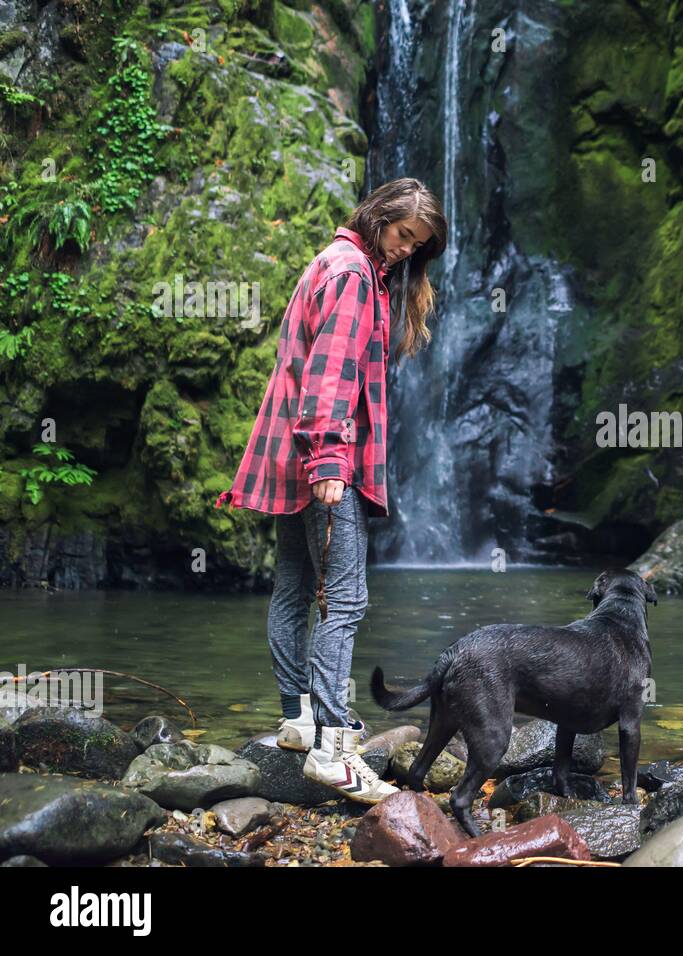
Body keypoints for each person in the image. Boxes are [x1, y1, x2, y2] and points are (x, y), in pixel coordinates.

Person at [214, 178, 447, 803]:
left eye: (417, 245)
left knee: (292, 586)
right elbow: (330, 380)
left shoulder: (337, 260)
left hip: (291, 454)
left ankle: (297, 721)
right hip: (325, 461)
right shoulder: (351, 275)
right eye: (402, 235)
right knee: (343, 602)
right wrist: (330, 463)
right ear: (379, 215)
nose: (404, 251)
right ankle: (332, 748)